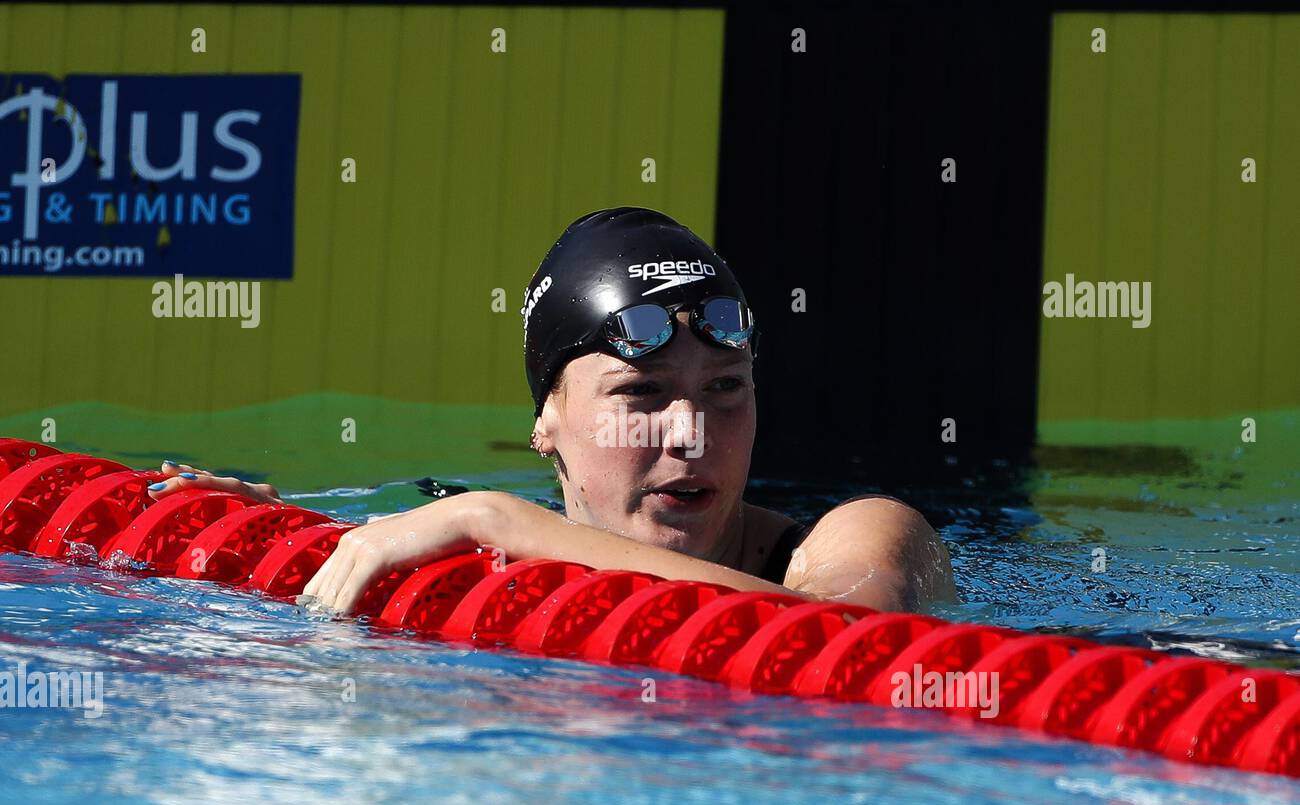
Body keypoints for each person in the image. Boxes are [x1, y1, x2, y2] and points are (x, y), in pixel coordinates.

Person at [147, 207, 956, 614]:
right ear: (546, 425)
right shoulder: (468, 541)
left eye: (725, 388)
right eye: (641, 392)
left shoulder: (859, 536)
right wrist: (280, 544)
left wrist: (507, 523)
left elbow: (850, 639)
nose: (690, 433)